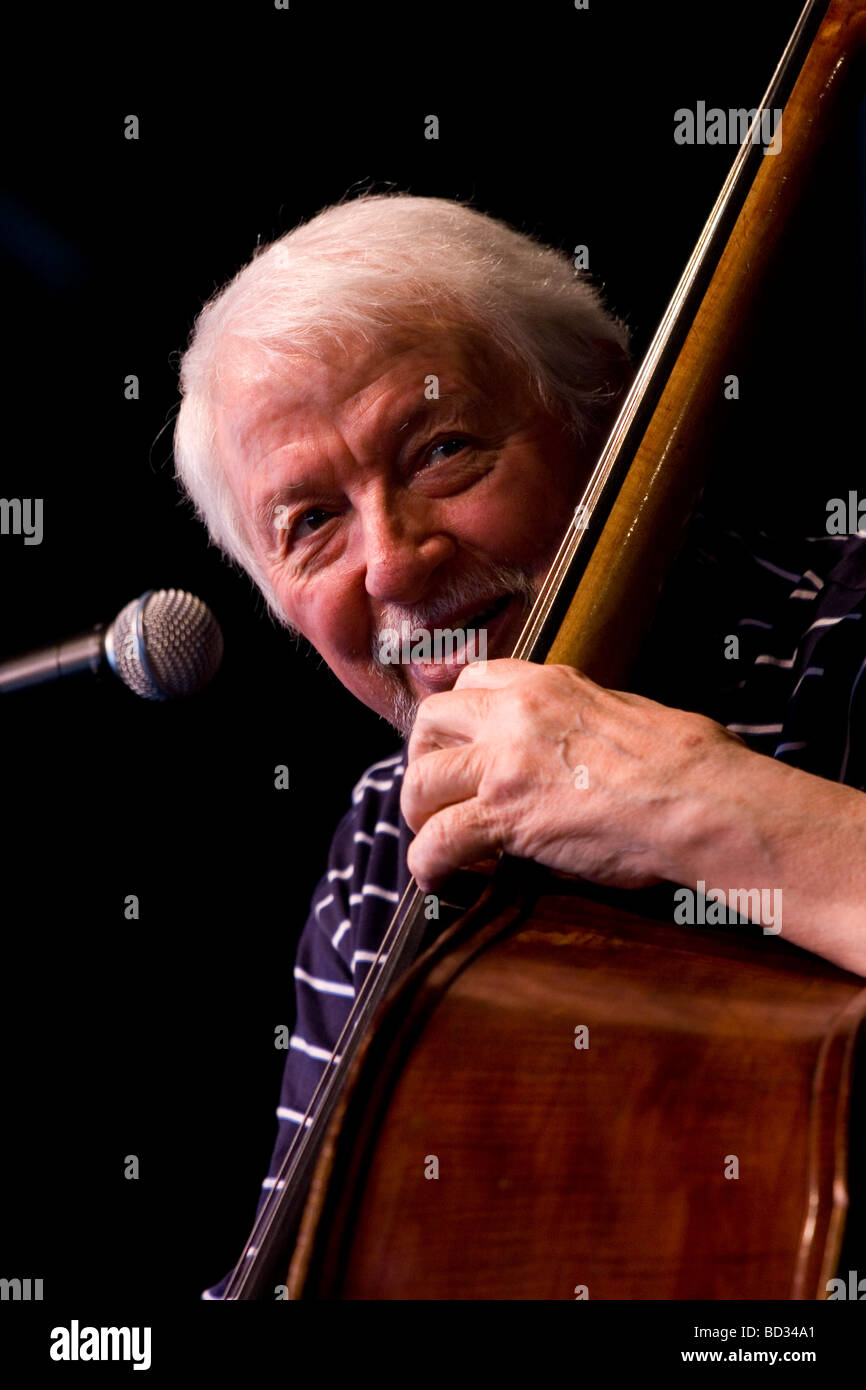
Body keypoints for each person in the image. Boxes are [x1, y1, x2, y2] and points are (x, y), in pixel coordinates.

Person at [172, 192, 866, 1299]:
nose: (392, 567)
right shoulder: (383, 833)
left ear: (603, 416)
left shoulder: (851, 634)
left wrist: (694, 802)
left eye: (441, 449)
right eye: (309, 524)